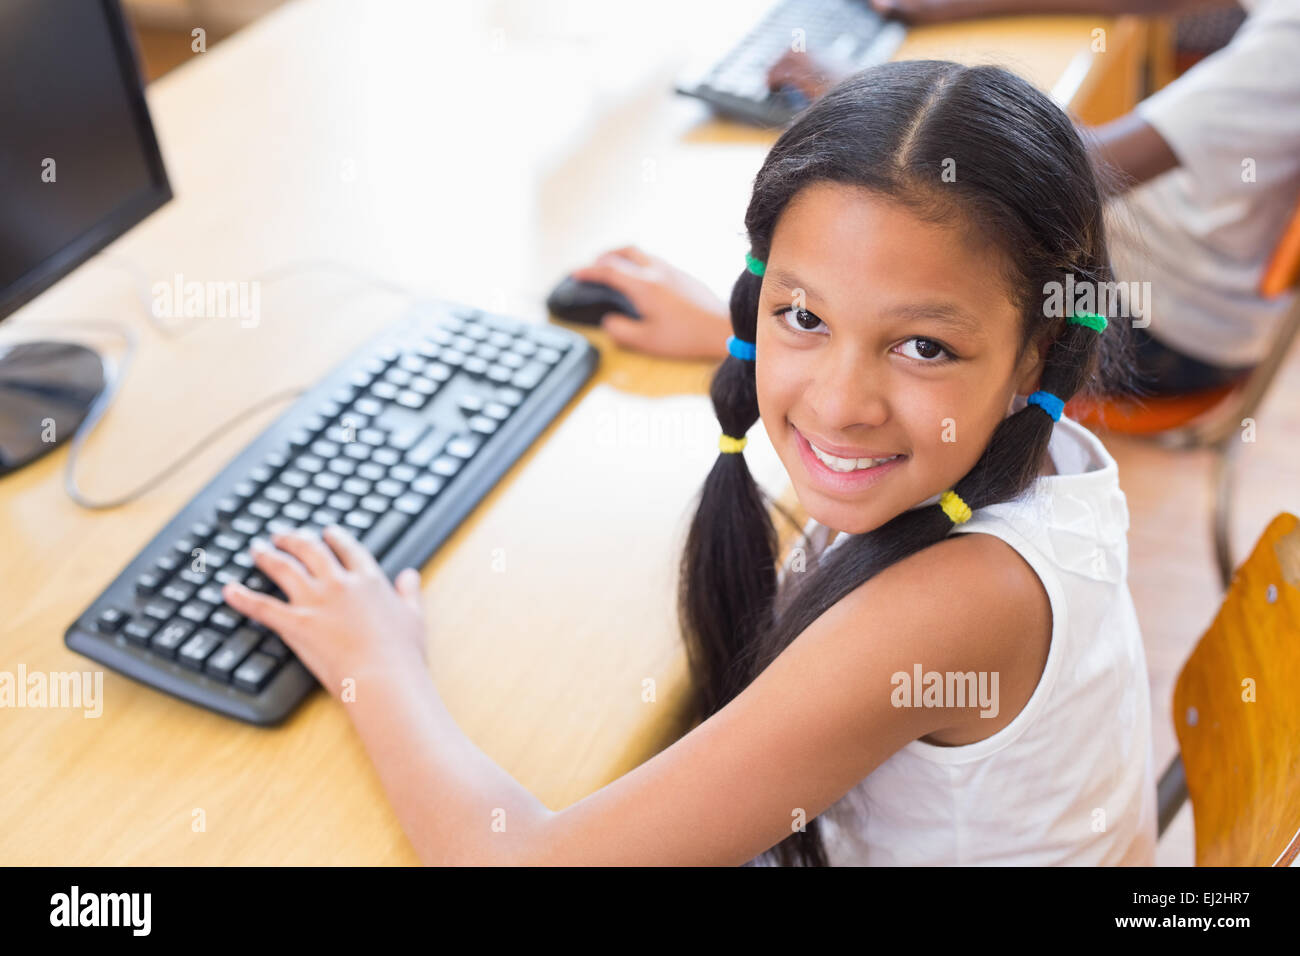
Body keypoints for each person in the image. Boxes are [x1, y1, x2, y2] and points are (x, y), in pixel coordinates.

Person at [221, 61, 1156, 865]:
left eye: (921, 348)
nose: (836, 404)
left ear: (1037, 353)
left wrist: (372, 662)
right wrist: (737, 334)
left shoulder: (952, 606)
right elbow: (870, 348)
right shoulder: (1030, 455)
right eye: (804, 316)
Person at [580, 0, 1300, 398]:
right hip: (1170, 255)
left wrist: (887, 105)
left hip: (1166, 318)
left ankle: (753, 336)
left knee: (913, 229)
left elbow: (1077, 167)